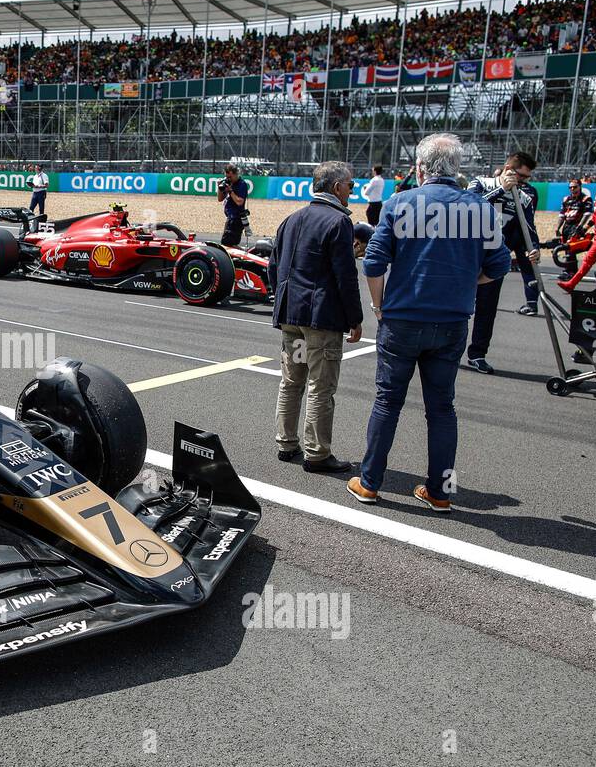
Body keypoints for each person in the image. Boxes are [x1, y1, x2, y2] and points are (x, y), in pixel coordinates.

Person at [351, 133, 511, 511]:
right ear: (457, 169)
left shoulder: (400, 202)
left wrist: (378, 307)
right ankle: (441, 492)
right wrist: (466, 284)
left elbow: (373, 263)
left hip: (402, 319)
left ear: (420, 169)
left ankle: (370, 483)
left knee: (388, 402)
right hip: (453, 321)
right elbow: (499, 266)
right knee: (442, 409)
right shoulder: (480, 208)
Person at [268, 161, 364, 474]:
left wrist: (281, 299)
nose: (352, 191)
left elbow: (272, 266)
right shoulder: (338, 222)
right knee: (321, 387)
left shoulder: (291, 219)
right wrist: (355, 317)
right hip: (320, 320)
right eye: (350, 186)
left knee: (291, 380)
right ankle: (317, 453)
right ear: (337, 188)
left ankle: (286, 442)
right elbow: (346, 276)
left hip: (290, 316)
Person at [464, 151, 543, 373]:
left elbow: (529, 227)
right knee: (455, 304)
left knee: (487, 310)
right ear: (509, 168)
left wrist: (533, 248)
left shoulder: (525, 198)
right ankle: (443, 348)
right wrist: (502, 191)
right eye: (523, 176)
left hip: (495, 260)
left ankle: (477, 354)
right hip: (467, 255)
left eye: (528, 178)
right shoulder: (481, 183)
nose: (525, 182)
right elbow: (468, 208)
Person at [554, 179, 593, 250]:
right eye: (570, 187)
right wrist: (557, 228)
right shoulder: (566, 199)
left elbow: (587, 214)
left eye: (575, 187)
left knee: (571, 248)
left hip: (576, 226)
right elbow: (562, 215)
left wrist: (580, 226)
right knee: (565, 248)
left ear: (580, 187)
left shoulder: (586, 199)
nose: (572, 189)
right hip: (566, 226)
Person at [218, 163, 250, 246]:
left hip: (236, 219)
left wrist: (230, 191)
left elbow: (239, 202)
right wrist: (219, 187)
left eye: (230, 177)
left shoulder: (241, 184)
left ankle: (242, 257)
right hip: (230, 218)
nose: (228, 179)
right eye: (227, 177)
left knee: (227, 244)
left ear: (236, 174)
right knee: (228, 244)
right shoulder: (229, 183)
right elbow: (220, 199)